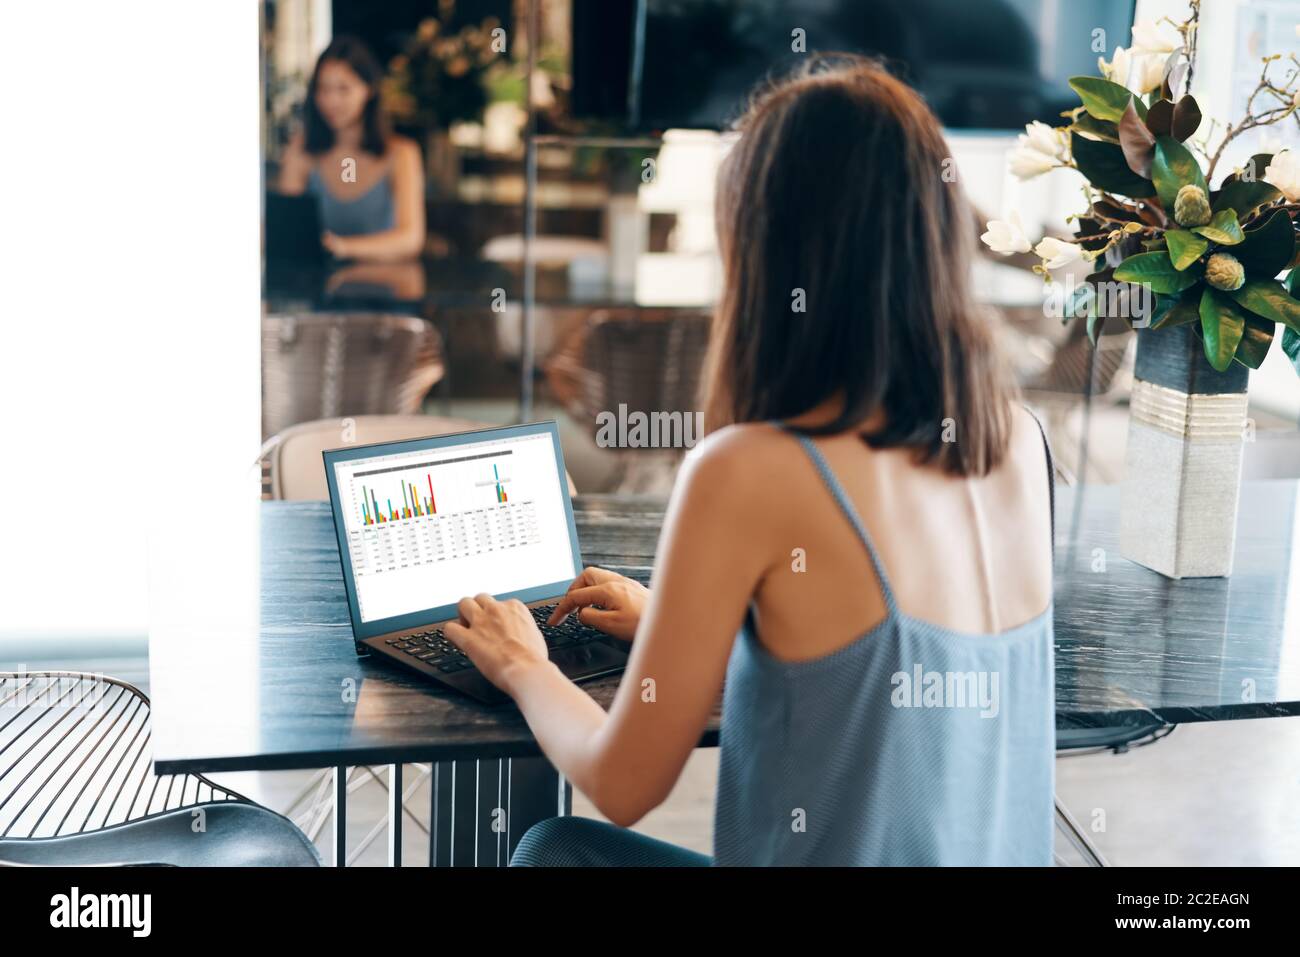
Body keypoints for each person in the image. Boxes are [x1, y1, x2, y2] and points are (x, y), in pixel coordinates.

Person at [443, 55, 1056, 866]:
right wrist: (676, 627)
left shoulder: (748, 469)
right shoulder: (1015, 438)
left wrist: (523, 664)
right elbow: (887, 702)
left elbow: (624, 783)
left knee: (552, 850)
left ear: (769, 252)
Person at [276, 36, 425, 262]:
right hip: (317, 291)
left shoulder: (402, 153)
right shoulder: (302, 150)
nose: (331, 100)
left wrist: (343, 247)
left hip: (385, 289)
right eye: (323, 89)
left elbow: (411, 239)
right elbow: (285, 230)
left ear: (369, 90)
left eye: (343, 89)